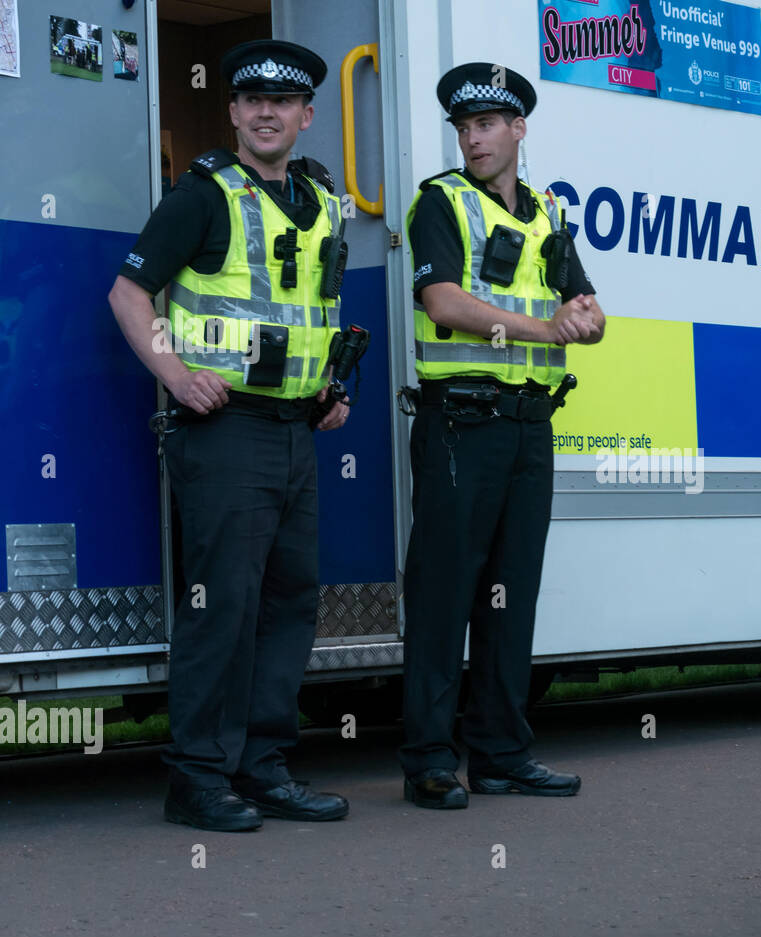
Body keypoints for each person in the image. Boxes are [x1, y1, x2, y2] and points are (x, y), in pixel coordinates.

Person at [108, 40, 351, 831]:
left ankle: (264, 767)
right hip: (222, 433)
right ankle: (198, 779)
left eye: (282, 103)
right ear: (235, 112)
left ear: (307, 115)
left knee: (289, 604)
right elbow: (128, 292)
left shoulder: (322, 201)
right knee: (225, 607)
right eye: (252, 101)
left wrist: (325, 391)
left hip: (294, 432)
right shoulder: (204, 194)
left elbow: (305, 317)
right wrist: (176, 376)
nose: (266, 113)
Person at [399, 62, 604, 809]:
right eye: (463, 126)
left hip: (529, 428)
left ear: (519, 129)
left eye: (486, 125)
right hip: (462, 422)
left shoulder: (550, 213)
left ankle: (500, 755)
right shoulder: (440, 202)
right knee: (443, 595)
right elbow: (443, 301)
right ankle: (426, 758)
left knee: (509, 599)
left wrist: (584, 320)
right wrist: (544, 325)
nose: (473, 138)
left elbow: (589, 308)